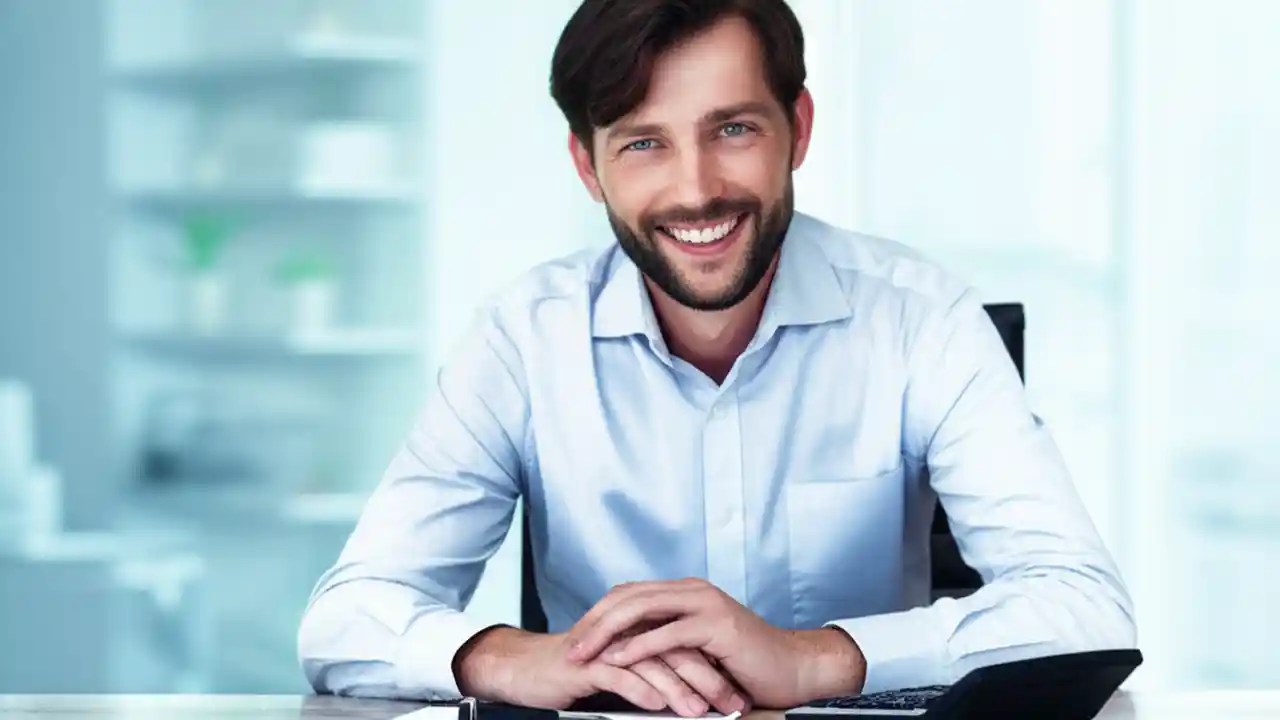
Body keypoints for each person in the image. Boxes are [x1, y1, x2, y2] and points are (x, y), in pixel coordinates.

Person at [297, 0, 1136, 714]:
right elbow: (346, 620)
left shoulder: (921, 320)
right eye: (642, 143)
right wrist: (525, 660)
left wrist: (813, 658)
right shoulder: (523, 339)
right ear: (587, 166)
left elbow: (1085, 610)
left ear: (797, 129)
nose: (696, 189)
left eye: (732, 128)